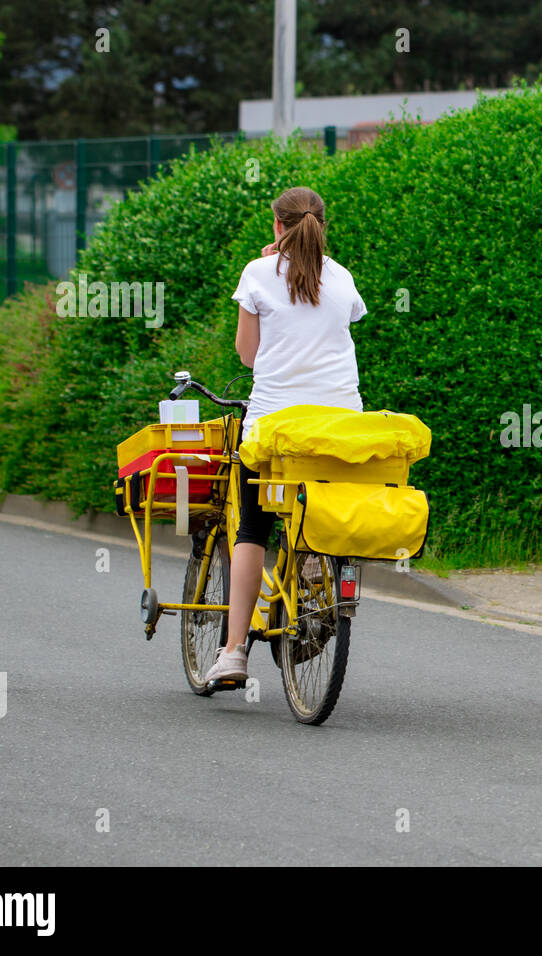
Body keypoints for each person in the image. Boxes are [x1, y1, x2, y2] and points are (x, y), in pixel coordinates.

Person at [204, 186, 368, 684]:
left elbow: (248, 355)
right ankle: (318, 565)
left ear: (277, 227)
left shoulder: (257, 274)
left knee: (253, 529)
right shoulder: (342, 277)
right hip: (343, 430)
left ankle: (233, 652)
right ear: (321, 226)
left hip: (277, 428)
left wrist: (267, 265)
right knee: (319, 505)